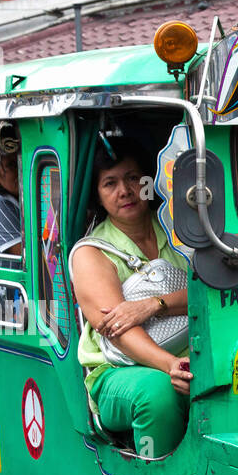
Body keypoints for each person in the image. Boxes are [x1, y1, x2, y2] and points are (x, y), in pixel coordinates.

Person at [71, 139, 191, 458]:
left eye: (132, 178)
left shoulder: (183, 227)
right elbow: (118, 331)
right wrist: (171, 366)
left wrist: (155, 304)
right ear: (97, 194)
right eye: (110, 183)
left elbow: (213, 292)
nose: (124, 190)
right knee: (157, 394)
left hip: (193, 350)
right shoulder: (91, 252)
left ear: (149, 182)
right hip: (118, 370)